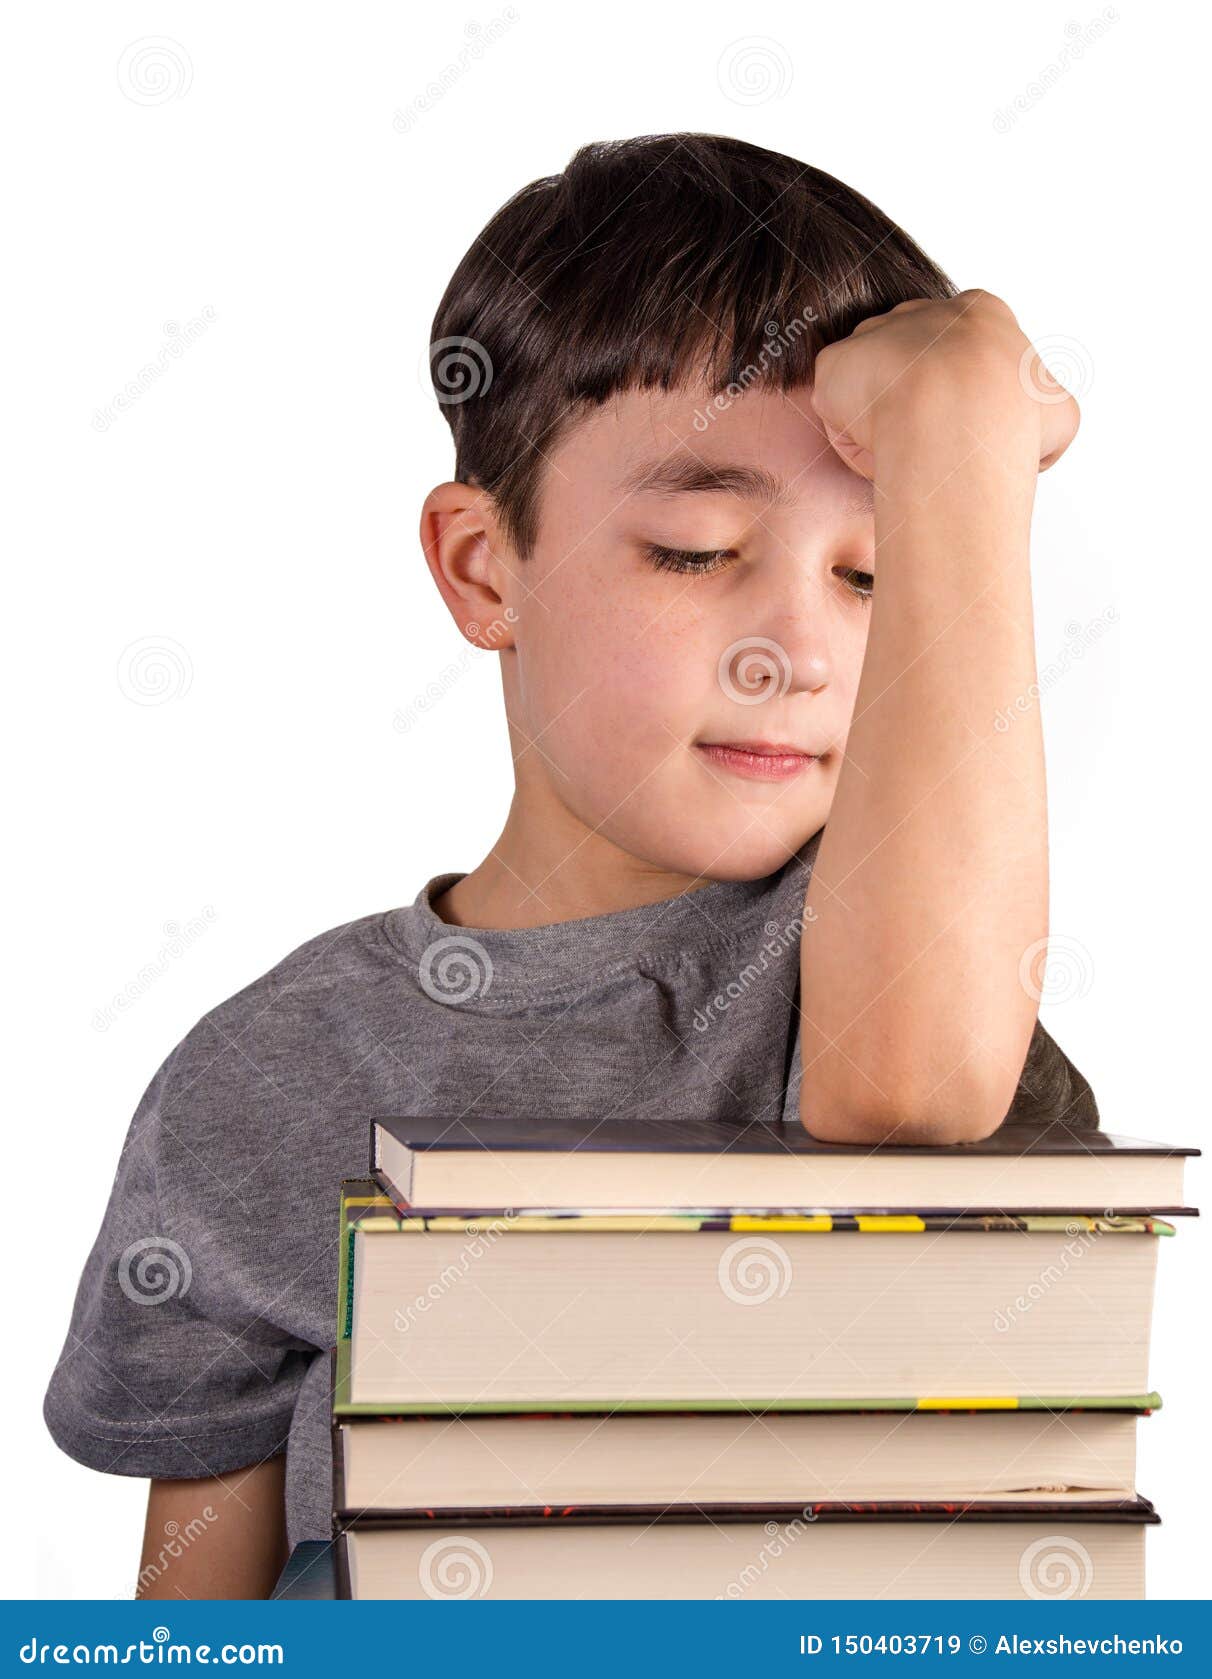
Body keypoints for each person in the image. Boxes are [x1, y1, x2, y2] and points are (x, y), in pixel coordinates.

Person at [43, 133, 1096, 1598]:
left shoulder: (924, 986)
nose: (795, 653)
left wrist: (962, 447)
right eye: (696, 549)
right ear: (486, 569)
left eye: (875, 575)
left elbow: (909, 1101)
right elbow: (193, 1630)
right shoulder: (263, 1074)